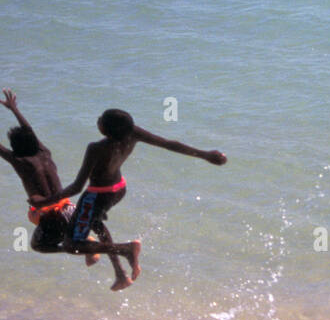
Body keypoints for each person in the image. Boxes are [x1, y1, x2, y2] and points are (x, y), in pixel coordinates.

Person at [59, 108, 228, 291]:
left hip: (97, 194)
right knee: (96, 222)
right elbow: (168, 144)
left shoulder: (96, 148)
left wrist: (44, 201)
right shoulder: (132, 132)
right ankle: (121, 274)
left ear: (105, 131)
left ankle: (126, 250)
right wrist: (205, 155)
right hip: (118, 189)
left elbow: (77, 186)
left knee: (72, 245)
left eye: (101, 120)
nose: (98, 120)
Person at [0, 89, 83, 254]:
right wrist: (14, 109)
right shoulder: (45, 153)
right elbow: (29, 130)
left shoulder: (20, 162)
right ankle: (82, 241)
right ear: (35, 142)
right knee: (47, 219)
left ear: (14, 149)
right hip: (71, 209)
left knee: (38, 245)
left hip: (53, 218)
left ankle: (74, 247)